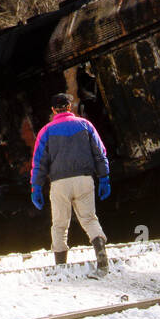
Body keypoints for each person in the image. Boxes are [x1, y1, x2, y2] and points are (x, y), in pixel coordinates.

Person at [30, 94, 111, 274]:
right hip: (84, 179)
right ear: (70, 106)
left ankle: (61, 267)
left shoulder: (46, 131)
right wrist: (104, 177)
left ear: (53, 110)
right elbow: (100, 153)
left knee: (59, 224)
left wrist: (36, 186)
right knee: (89, 219)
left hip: (59, 184)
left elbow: (39, 163)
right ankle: (102, 258)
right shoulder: (85, 125)